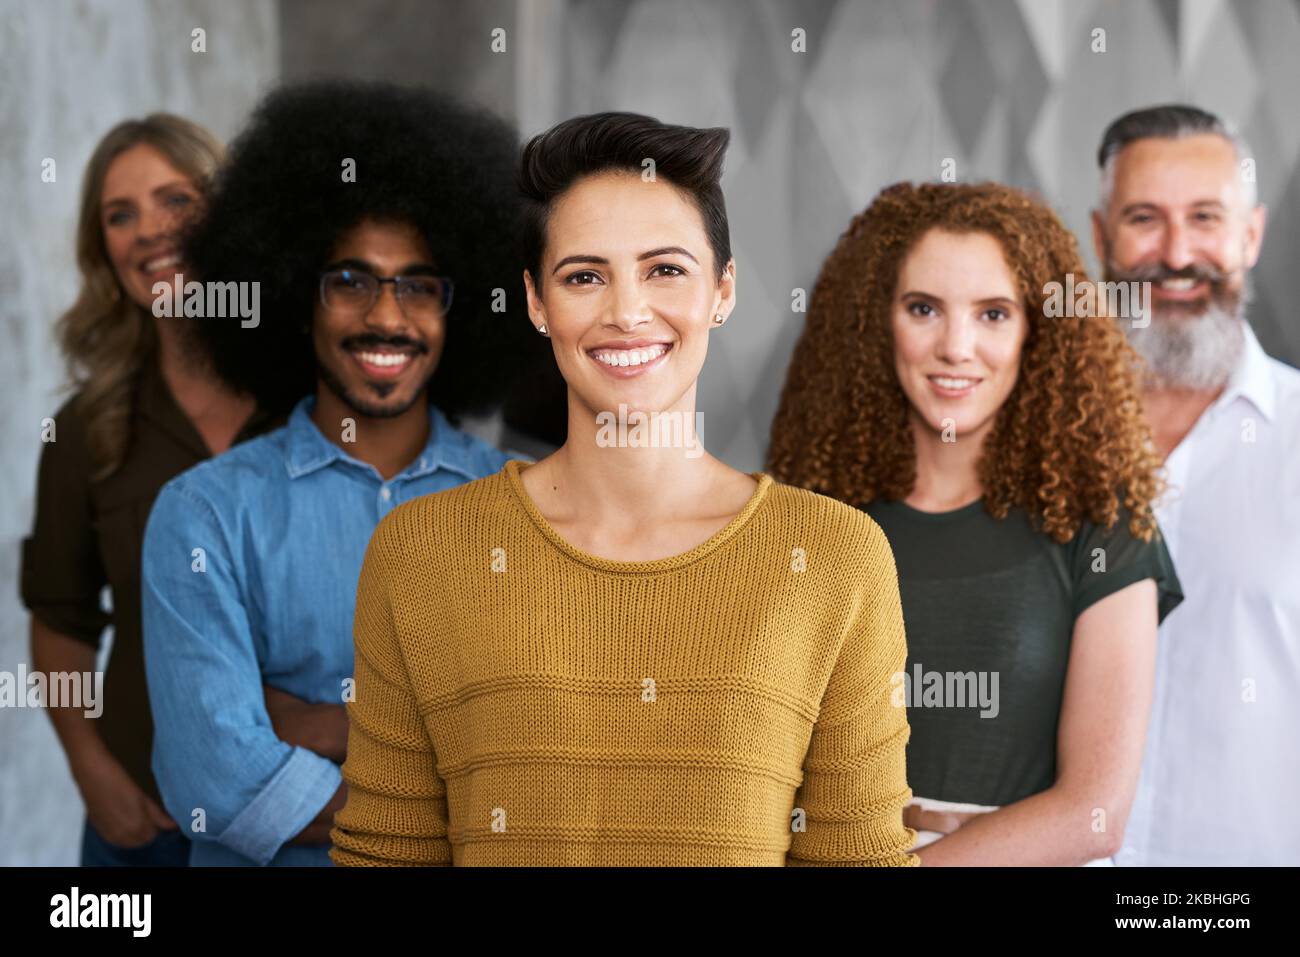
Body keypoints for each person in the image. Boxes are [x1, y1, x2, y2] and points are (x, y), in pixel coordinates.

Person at [329, 112, 920, 866]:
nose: (627, 311)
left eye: (665, 269)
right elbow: (387, 853)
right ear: (538, 303)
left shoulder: (836, 558)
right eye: (584, 276)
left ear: (723, 290)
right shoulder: (420, 552)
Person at [141, 81, 531, 866]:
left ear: (459, 311)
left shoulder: (531, 505)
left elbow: (545, 768)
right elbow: (214, 778)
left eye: (419, 285)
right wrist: (438, 777)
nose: (387, 317)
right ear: (298, 299)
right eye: (350, 280)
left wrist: (311, 725)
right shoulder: (203, 515)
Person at [768, 181, 1184, 865]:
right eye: (923, 308)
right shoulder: (813, 520)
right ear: (879, 321)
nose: (956, 347)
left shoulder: (1105, 527)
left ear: (1036, 332)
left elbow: (1095, 813)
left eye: (993, 313)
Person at [21, 114, 279, 867]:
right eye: (120, 215)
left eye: (176, 200)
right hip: (146, 827)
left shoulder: (319, 397)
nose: (149, 231)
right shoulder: (87, 428)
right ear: (102, 249)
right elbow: (61, 619)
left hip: (318, 817)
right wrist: (91, 769)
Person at [1092, 104, 1300, 866]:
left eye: (1205, 218)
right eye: (1145, 218)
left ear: (1250, 234)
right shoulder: (1027, 439)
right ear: (1101, 234)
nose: (1176, 253)